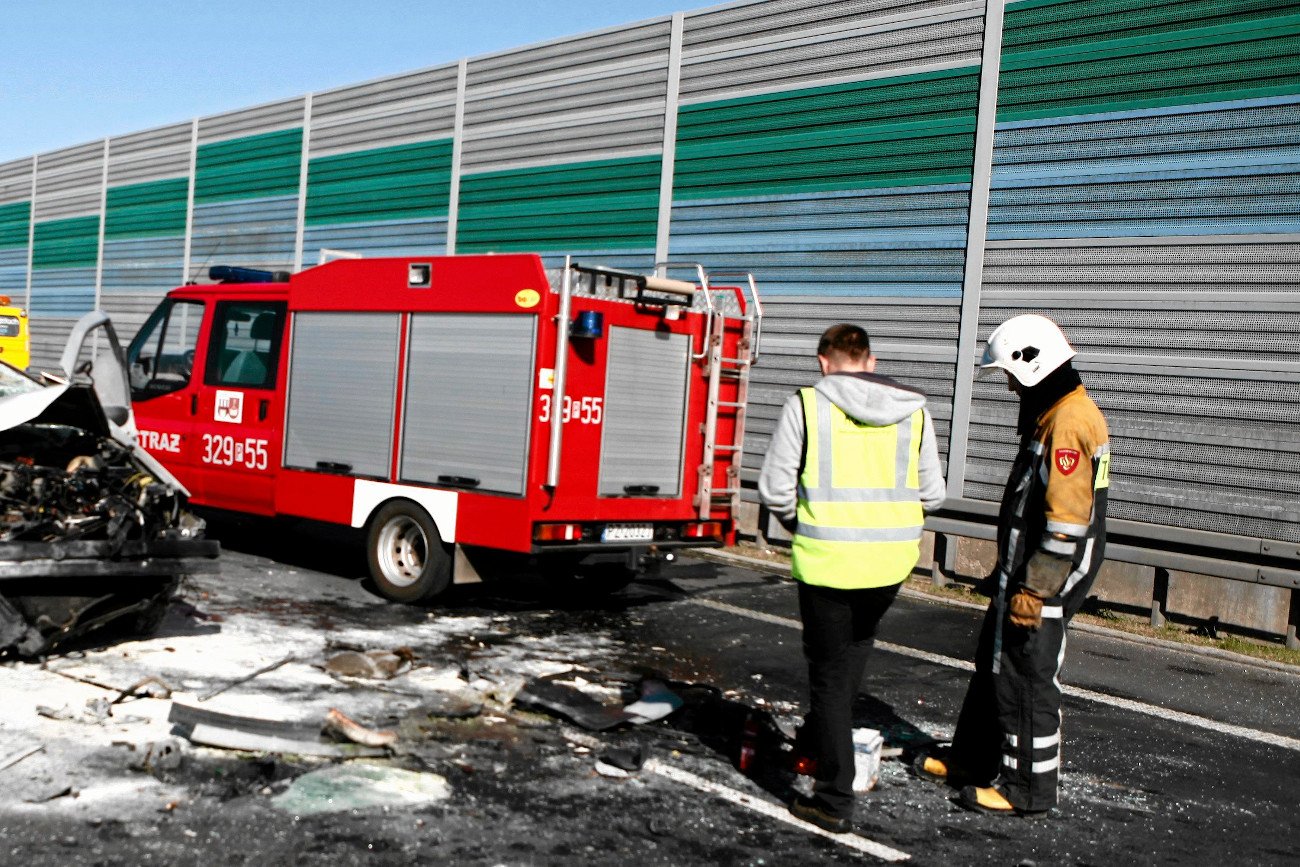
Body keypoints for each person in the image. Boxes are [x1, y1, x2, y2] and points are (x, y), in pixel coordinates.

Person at [913, 313, 1110, 816]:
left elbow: (1065, 522)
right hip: (1024, 571)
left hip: (1045, 576)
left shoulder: (1068, 423)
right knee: (996, 661)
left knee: (1026, 671)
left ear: (1032, 364)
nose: (1006, 383)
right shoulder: (1055, 411)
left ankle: (1028, 788)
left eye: (1008, 373)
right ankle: (973, 760)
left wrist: (1036, 588)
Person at [759, 323, 945, 833]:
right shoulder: (914, 410)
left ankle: (833, 798)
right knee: (851, 658)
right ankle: (817, 741)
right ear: (870, 359)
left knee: (830, 674)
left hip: (827, 561)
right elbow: (933, 495)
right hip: (889, 565)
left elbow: (774, 488)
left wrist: (808, 524)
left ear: (824, 361)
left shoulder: (807, 403)